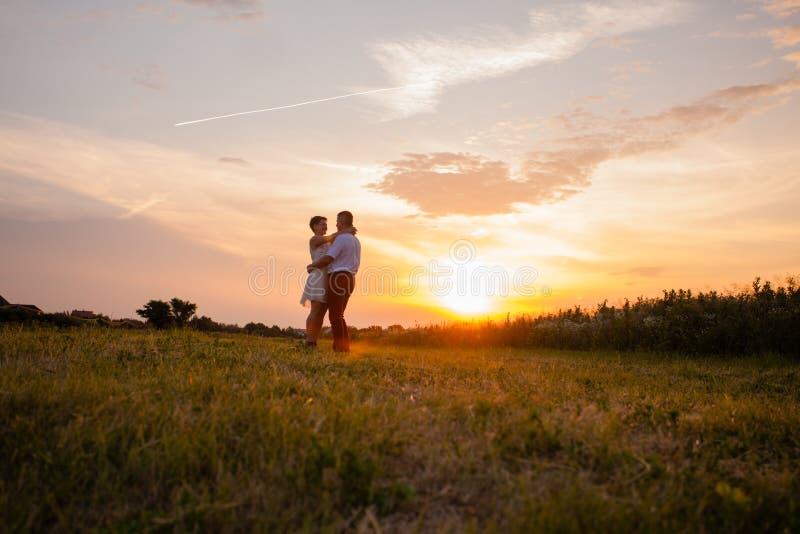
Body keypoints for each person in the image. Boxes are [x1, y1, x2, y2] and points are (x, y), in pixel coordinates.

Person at [306, 211, 361, 352]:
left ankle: (340, 347)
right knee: (318, 310)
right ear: (315, 226)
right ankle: (310, 342)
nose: (332, 225)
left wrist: (313, 265)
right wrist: (345, 231)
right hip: (325, 277)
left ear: (342, 223)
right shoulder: (316, 239)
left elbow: (329, 258)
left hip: (335, 277)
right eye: (323, 224)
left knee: (332, 314)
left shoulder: (340, 238)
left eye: (336, 222)